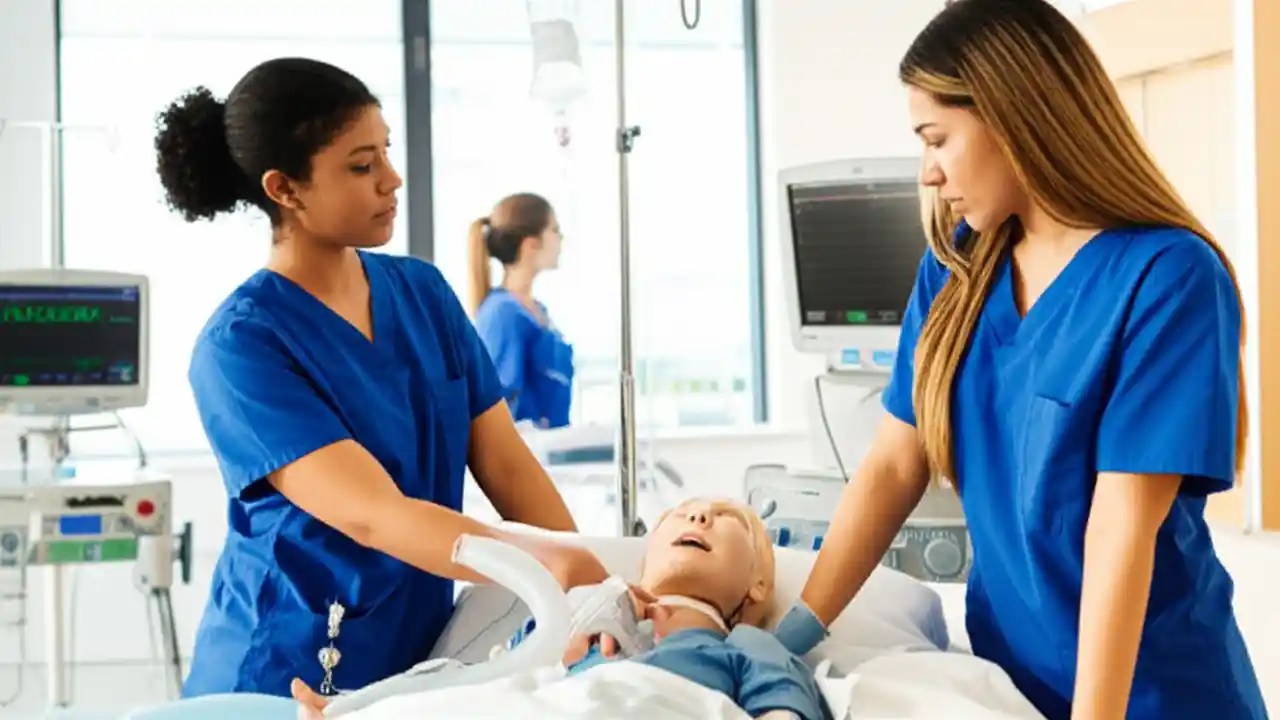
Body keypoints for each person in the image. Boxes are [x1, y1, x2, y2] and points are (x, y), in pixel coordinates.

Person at [773, 2, 1269, 719]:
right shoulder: (954, 272)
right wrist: (790, 637)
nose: (929, 175)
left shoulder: (1166, 276)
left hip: (1155, 692)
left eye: (937, 140)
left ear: (1012, 114)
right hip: (1010, 687)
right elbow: (892, 467)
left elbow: (1119, 528)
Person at [154, 57, 609, 699]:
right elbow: (374, 516)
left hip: (410, 668)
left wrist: (596, 587)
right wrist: (538, 561)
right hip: (280, 678)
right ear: (285, 189)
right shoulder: (243, 346)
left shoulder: (422, 293)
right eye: (362, 166)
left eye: (387, 154)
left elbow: (508, 467)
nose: (392, 180)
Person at [293, 498, 827, 720]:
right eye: (683, 515)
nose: (699, 519)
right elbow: (497, 679)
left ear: (758, 583)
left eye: (720, 518)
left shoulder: (740, 648)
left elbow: (784, 703)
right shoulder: (571, 618)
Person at [467, 193, 574, 429]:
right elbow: (497, 405)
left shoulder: (538, 312)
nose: (561, 239)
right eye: (554, 230)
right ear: (531, 243)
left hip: (552, 449)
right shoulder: (501, 314)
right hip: (527, 451)